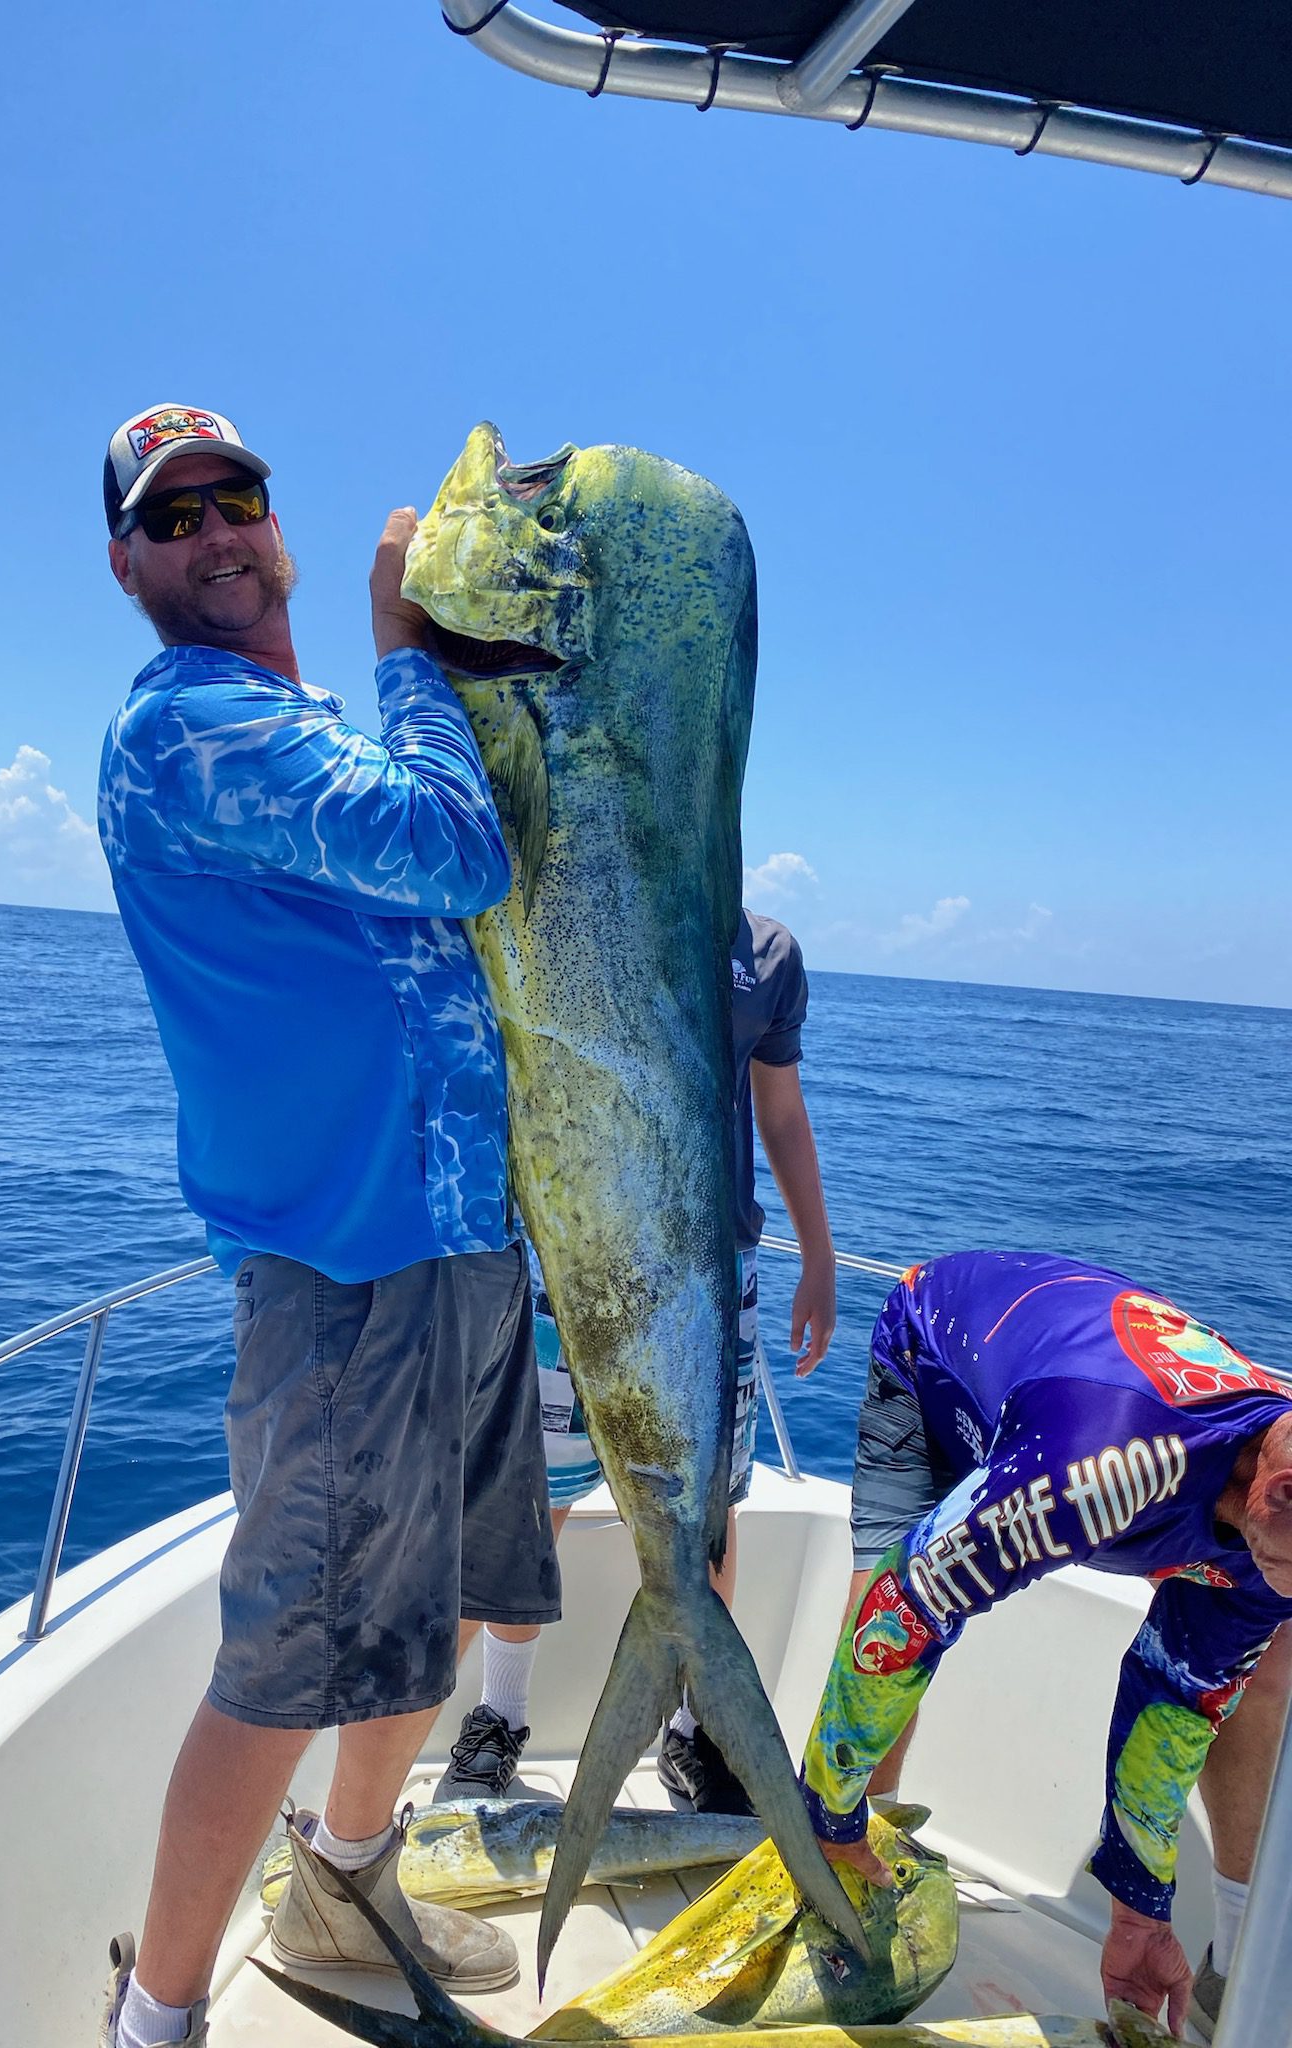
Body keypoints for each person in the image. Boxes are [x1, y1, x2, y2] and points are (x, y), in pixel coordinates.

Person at [94, 404, 560, 2048]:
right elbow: (453, 847)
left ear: (270, 521)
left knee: (443, 1610)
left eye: (235, 498)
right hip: (350, 1270)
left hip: (462, 1244)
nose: (216, 531)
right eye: (173, 517)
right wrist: (406, 643)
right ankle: (156, 2021)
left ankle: (345, 1886)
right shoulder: (188, 728)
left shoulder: (301, 732)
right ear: (127, 566)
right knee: (288, 1662)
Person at [800, 1249, 1292, 2040]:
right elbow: (905, 1608)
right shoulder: (1099, 1473)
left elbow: (1174, 1702)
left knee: (1250, 1665)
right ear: (1278, 1491)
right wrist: (827, 1813)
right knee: (889, 1599)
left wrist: (1139, 1912)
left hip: (1069, 1362)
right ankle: (853, 1852)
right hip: (935, 1351)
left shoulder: (1273, 1541)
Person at [434, 909, 836, 1813]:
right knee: (530, 1499)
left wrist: (819, 1254)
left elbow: (780, 1112)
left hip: (711, 1280)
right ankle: (500, 1716)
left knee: (707, 1515)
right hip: (572, 1266)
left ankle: (694, 1729)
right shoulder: (570, 920)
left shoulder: (769, 955)